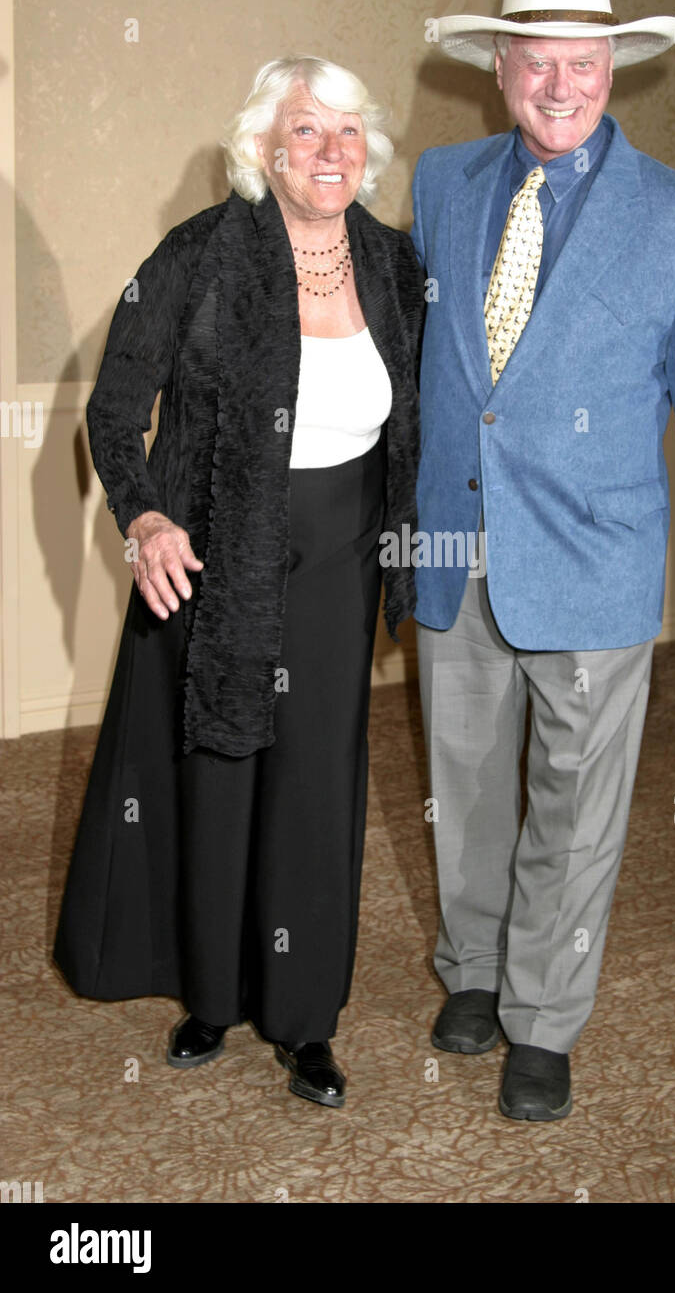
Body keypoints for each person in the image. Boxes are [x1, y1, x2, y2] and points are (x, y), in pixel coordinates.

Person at [411, 0, 675, 1121]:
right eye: (536, 63)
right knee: (462, 788)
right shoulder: (440, 183)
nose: (559, 88)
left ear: (614, 66)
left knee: (573, 802)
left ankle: (543, 1019)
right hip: (453, 555)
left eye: (583, 64)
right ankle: (474, 967)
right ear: (498, 66)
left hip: (594, 567)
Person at [54, 55, 424, 1109]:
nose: (329, 152)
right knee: (218, 772)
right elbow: (114, 404)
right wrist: (146, 515)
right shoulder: (199, 253)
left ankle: (304, 1021)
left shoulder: (394, 265)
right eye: (305, 130)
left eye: (348, 133)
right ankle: (210, 997)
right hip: (215, 553)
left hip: (339, 553)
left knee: (315, 780)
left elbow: (426, 419)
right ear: (263, 145)